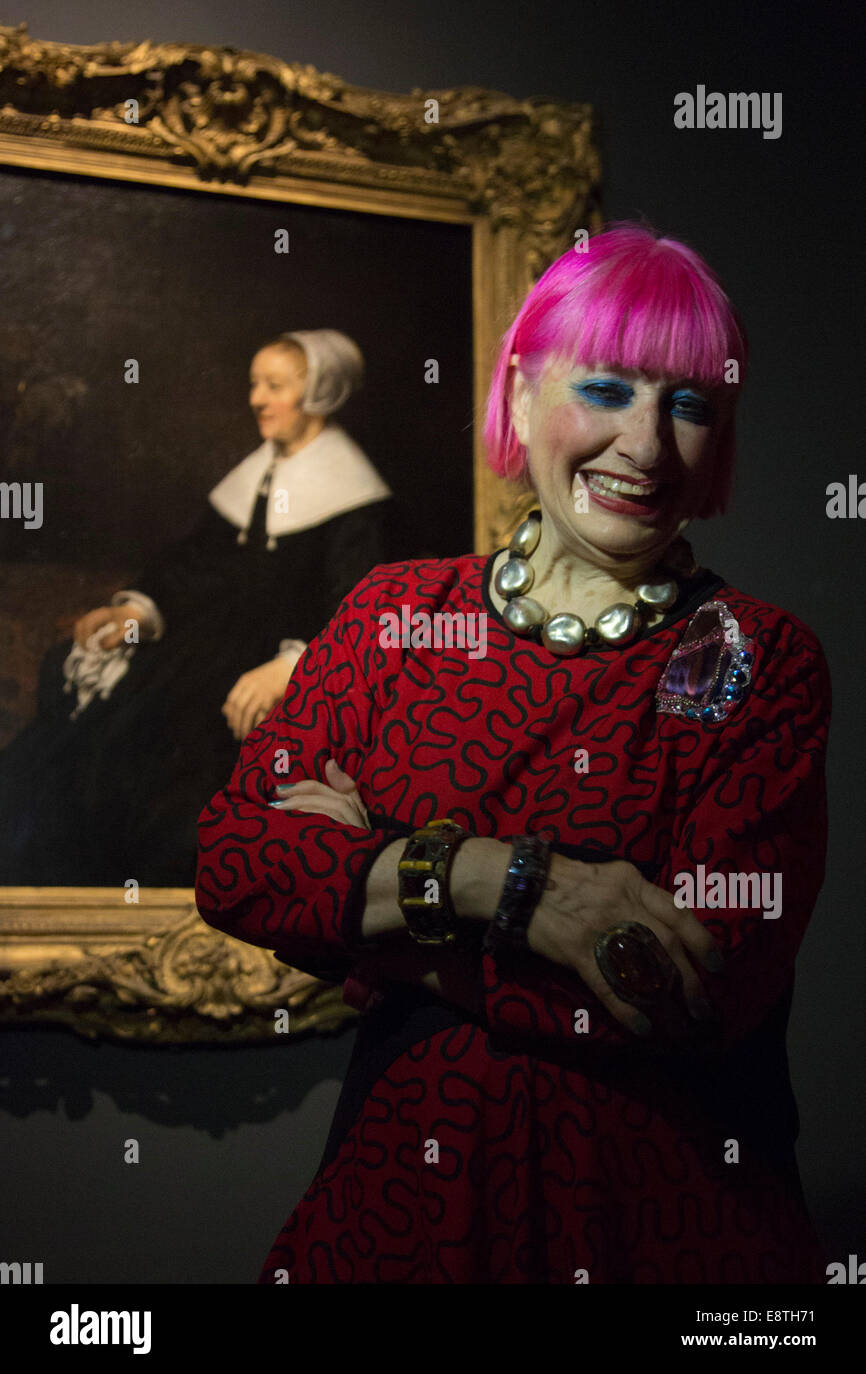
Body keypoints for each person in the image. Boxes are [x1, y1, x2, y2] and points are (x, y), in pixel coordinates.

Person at [196, 225, 831, 1285]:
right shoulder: (397, 611)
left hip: (667, 1230)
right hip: (401, 1213)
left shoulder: (755, 656)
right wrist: (518, 887)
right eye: (607, 389)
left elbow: (694, 987)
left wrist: (381, 897)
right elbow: (237, 864)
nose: (643, 444)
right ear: (523, 391)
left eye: (687, 406)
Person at [0, 330, 393, 887]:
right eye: (255, 384)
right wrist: (138, 611)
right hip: (204, 643)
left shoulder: (355, 497)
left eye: (274, 386)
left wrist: (289, 668)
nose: (257, 399)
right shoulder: (260, 468)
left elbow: (359, 608)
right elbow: (195, 564)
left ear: (320, 394)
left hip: (274, 662)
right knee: (78, 714)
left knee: (165, 757)